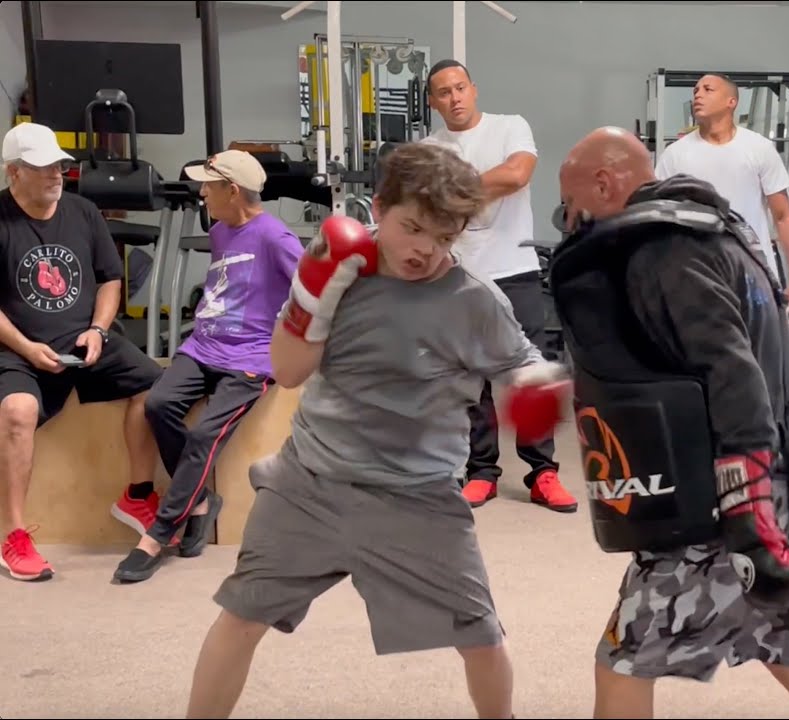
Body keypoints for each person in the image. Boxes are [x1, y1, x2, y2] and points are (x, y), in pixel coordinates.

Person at [183, 141, 564, 719]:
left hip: (418, 497)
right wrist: (311, 297)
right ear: (380, 208)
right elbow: (286, 372)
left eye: (444, 237)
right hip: (310, 485)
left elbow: (518, 361)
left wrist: (536, 383)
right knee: (240, 618)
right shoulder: (340, 269)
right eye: (413, 227)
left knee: (480, 635)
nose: (425, 251)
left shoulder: (472, 300)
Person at [544, 126, 789, 719]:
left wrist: (747, 509)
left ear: (605, 183)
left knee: (624, 658)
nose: (569, 220)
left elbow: (731, 371)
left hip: (728, 497)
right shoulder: (712, 229)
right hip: (781, 466)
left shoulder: (662, 250)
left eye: (571, 204)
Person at [110, 150, 304, 583]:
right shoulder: (220, 231)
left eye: (209, 186)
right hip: (202, 347)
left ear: (232, 191)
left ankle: (159, 534)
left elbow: (314, 293)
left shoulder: (276, 238)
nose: (202, 193)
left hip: (250, 358)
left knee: (203, 436)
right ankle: (199, 503)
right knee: (157, 405)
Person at [0, 122, 163, 582]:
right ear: (14, 173)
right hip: (17, 346)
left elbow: (110, 279)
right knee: (17, 410)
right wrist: (27, 348)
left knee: (158, 386)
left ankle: (137, 494)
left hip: (84, 339)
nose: (56, 174)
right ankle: (14, 536)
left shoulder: (84, 212)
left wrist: (97, 329)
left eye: (59, 165)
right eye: (43, 167)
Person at [424, 58, 577, 512]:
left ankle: (543, 472)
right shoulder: (430, 148)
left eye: (459, 88)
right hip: (459, 275)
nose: (453, 98)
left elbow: (517, 174)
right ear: (433, 102)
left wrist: (456, 191)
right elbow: (430, 205)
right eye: (443, 93)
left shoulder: (510, 126)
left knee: (529, 374)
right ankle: (482, 472)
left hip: (515, 269)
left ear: (473, 89)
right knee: (472, 380)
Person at [654, 73, 789, 317]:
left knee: (758, 351)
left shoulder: (759, 149)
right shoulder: (674, 156)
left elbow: (783, 216)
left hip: (753, 273)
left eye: (707, 89)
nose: (698, 95)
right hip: (696, 273)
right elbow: (660, 221)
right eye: (695, 91)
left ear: (731, 102)